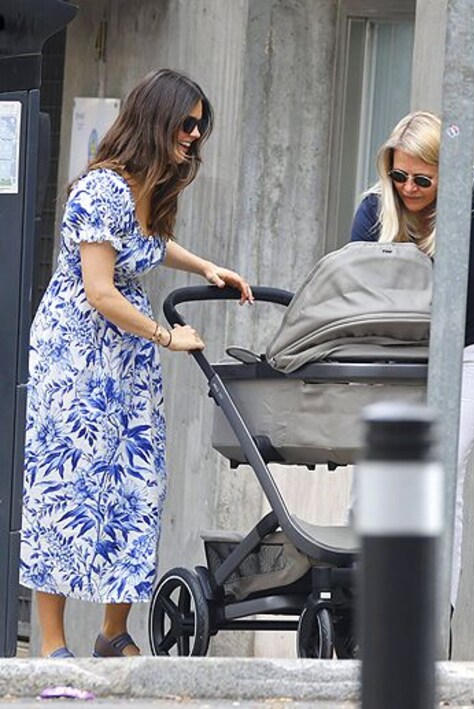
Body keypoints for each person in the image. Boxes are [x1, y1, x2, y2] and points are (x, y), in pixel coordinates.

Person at [19, 68, 253, 659]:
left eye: (200, 126)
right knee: (66, 488)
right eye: (186, 123)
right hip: (75, 355)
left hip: (125, 356)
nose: (195, 136)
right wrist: (167, 336)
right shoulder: (102, 188)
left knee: (134, 484)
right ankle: (51, 644)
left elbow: (146, 244)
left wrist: (204, 267)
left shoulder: (151, 186)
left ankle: (112, 631)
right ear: (156, 119)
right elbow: (99, 289)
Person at [350, 110, 474, 609]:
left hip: (471, 351)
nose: (408, 187)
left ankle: (434, 615)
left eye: (422, 179)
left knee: (443, 474)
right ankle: (363, 608)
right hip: (397, 354)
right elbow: (353, 296)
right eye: (399, 175)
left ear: (449, 172)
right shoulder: (375, 211)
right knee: (373, 473)